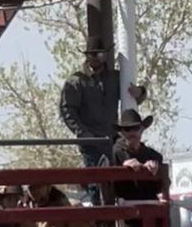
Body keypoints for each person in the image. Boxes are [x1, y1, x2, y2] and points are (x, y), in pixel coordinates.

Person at [58, 40, 146, 170]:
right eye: (91, 54)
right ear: (86, 56)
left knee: (118, 180)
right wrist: (83, 132)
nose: (95, 58)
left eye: (99, 54)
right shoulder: (77, 81)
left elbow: (135, 96)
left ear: (105, 55)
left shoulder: (115, 78)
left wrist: (140, 92)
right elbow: (67, 110)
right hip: (91, 143)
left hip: (113, 140)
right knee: (96, 182)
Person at [109, 109, 164, 210]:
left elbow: (162, 187)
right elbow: (110, 189)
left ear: (142, 129)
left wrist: (154, 172)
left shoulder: (154, 156)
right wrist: (123, 168)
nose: (132, 133)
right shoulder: (114, 154)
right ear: (121, 132)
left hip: (151, 213)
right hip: (126, 214)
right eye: (127, 129)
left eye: (135, 128)